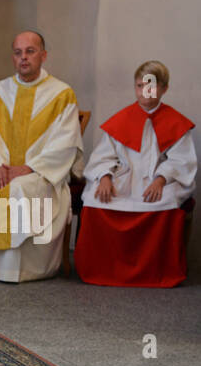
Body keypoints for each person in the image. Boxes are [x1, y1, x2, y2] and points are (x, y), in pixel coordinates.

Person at [0, 30, 83, 283]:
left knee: (20, 189)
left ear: (43, 55)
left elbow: (66, 143)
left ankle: (21, 269)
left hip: (40, 173)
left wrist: (30, 167)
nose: (23, 58)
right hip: (1, 171)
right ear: (13, 58)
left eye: (30, 51)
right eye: (18, 52)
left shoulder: (62, 94)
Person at [75, 61, 195, 287]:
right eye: (140, 86)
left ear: (164, 89)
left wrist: (161, 179)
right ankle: (103, 269)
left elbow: (182, 161)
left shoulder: (176, 123)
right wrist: (105, 177)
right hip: (126, 176)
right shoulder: (121, 120)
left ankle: (153, 271)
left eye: (151, 86)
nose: (144, 92)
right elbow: (102, 157)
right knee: (93, 196)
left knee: (166, 200)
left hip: (159, 180)